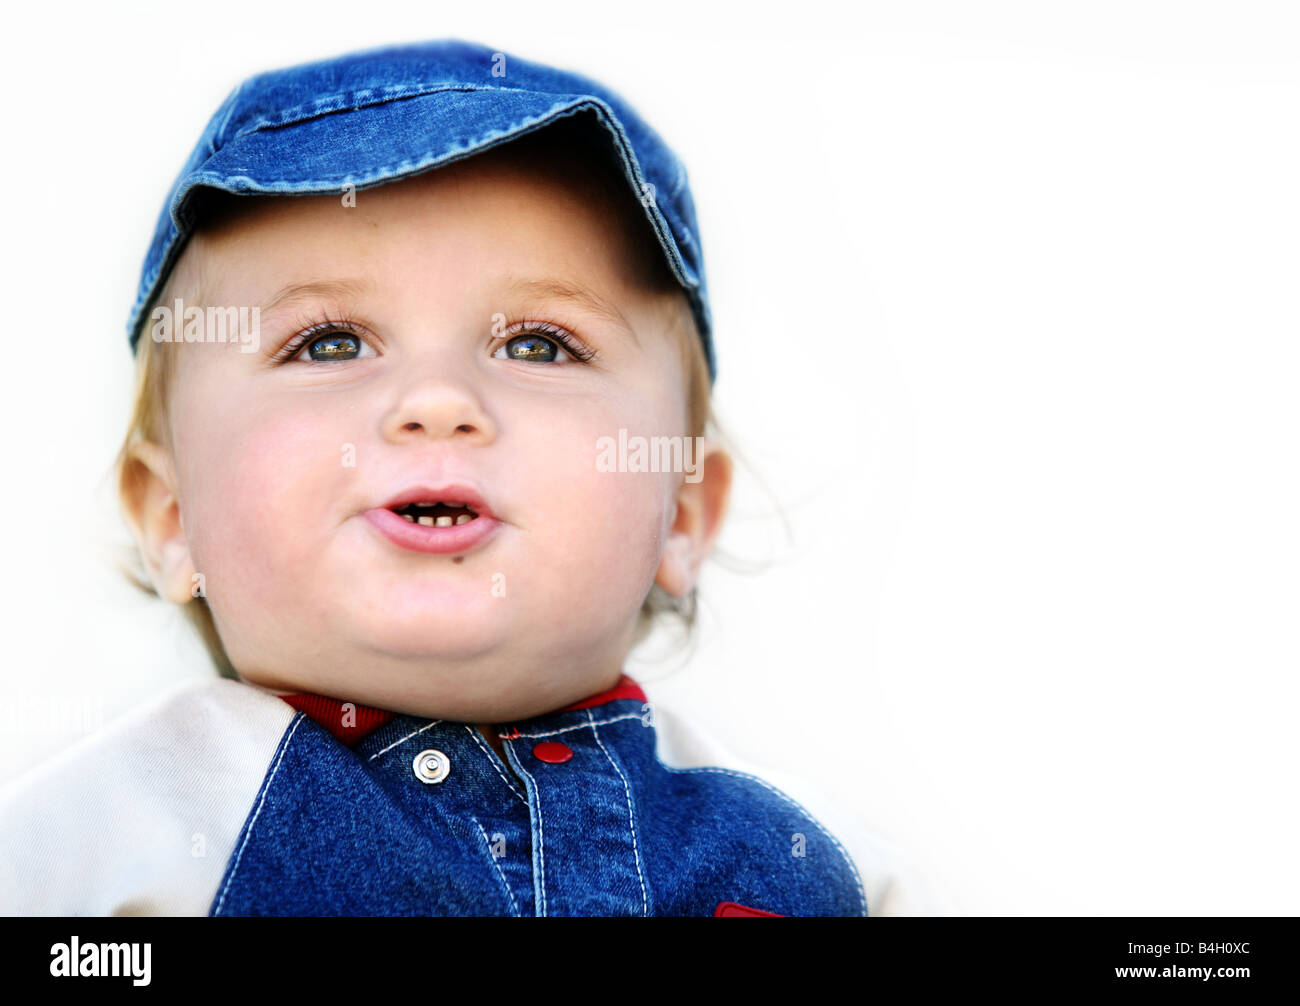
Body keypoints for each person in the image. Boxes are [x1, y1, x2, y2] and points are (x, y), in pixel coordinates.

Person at [0, 39, 946, 916]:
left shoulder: (810, 862)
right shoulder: (109, 835)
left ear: (682, 512)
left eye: (539, 343)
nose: (439, 400)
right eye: (329, 342)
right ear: (172, 518)